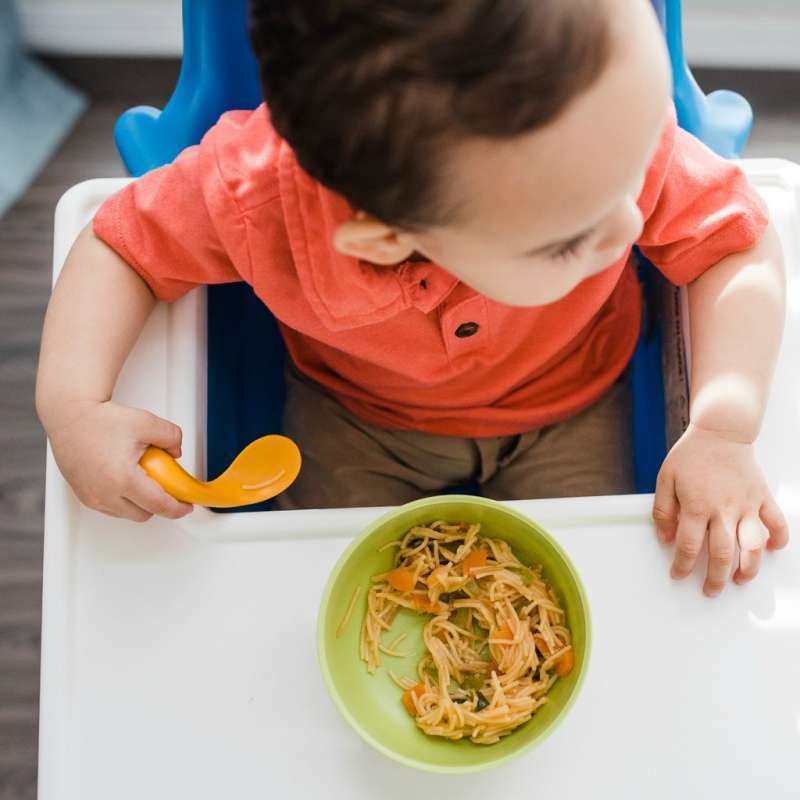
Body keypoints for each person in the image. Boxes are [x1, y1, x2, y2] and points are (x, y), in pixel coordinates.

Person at [36, 0, 788, 597]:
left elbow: (736, 243)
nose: (631, 227)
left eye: (633, 173)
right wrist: (75, 408)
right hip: (357, 420)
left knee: (588, 594)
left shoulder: (603, 122)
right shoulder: (252, 198)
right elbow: (121, 248)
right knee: (325, 597)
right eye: (567, 240)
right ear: (387, 240)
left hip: (572, 404)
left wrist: (723, 428)